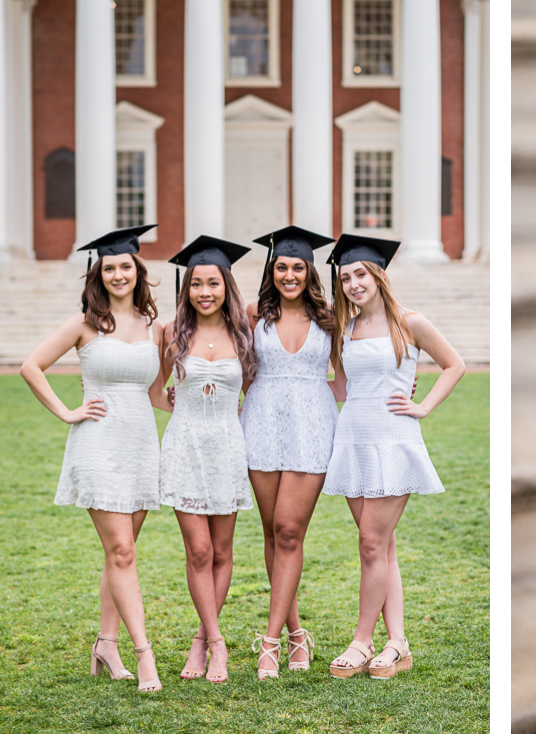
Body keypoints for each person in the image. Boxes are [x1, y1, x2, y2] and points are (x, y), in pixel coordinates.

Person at [19, 225, 169, 693]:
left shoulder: (152, 325)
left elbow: (157, 393)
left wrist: (214, 406)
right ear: (98, 274)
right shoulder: (84, 323)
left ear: (137, 270)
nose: (118, 274)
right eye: (110, 268)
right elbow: (31, 366)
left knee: (120, 553)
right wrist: (68, 411)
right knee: (122, 552)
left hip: (142, 444)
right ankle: (144, 657)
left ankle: (106, 642)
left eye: (125, 266)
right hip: (98, 444)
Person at [323, 234, 465, 679]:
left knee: (369, 543)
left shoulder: (410, 323)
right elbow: (342, 388)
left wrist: (422, 407)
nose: (352, 284)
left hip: (394, 440)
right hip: (353, 441)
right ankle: (397, 644)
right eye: (345, 278)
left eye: (360, 274)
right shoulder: (344, 330)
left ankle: (362, 642)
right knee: (381, 547)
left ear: (378, 275)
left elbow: (454, 364)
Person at [240, 225, 340, 680]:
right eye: (282, 266)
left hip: (313, 426)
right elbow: (233, 367)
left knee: (288, 529)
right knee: (271, 531)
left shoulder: (330, 318)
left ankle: (271, 642)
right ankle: (297, 632)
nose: (289, 274)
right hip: (260, 423)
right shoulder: (252, 315)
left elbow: (345, 377)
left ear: (309, 270)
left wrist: (392, 389)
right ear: (271, 269)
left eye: (297, 267)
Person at [159, 236, 257, 683]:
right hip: (185, 446)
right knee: (198, 550)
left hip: (227, 447)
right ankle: (218, 644)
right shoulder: (171, 333)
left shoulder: (245, 331)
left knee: (222, 551)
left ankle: (201, 641)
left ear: (225, 286)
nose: (204, 291)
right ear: (187, 289)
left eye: (212, 283)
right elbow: (154, 389)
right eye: (196, 284)